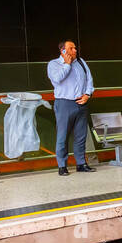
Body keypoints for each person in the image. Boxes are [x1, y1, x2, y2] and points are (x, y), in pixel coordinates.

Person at [47, 40, 96, 175]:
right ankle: (62, 166)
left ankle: (81, 164)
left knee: (81, 136)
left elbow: (89, 80)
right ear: (63, 50)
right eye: (71, 48)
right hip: (64, 104)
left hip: (81, 103)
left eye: (75, 48)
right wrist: (67, 65)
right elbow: (57, 79)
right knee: (63, 136)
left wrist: (87, 94)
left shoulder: (81, 62)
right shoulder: (54, 64)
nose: (75, 50)